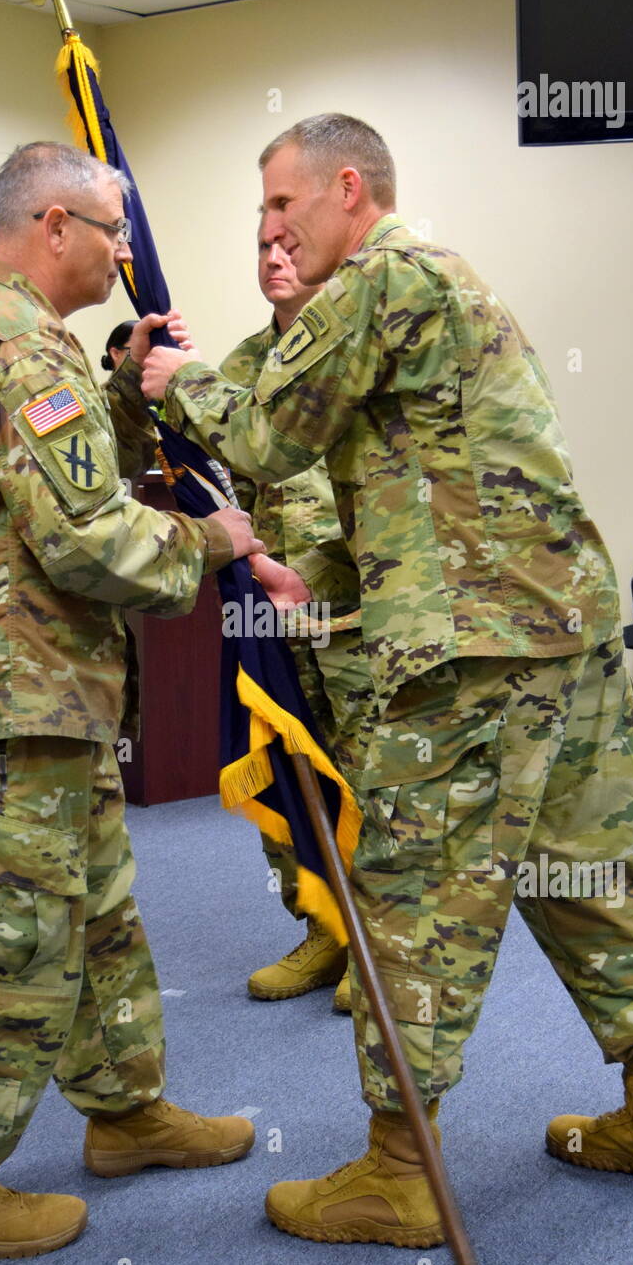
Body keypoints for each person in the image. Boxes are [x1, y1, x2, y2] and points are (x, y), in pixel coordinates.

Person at [140, 113, 633, 1248]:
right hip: (560, 630)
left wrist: (171, 379)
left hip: (471, 651)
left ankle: (397, 1172)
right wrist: (342, 574)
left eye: (280, 206)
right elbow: (420, 468)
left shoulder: (381, 276)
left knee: (410, 899)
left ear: (346, 188)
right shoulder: (438, 281)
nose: (270, 232)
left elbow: (261, 433)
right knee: (579, 872)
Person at [0, 141, 267, 1265]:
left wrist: (116, 389)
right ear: (51, 226)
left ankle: (124, 1114)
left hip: (36, 695)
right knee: (11, 943)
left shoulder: (15, 341)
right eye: (113, 230)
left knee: (98, 918)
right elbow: (83, 535)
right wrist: (212, 539)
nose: (124, 249)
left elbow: (42, 483)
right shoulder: (9, 345)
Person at [222, 227, 360, 1010]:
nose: (273, 259)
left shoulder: (359, 357)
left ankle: (376, 943)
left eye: (290, 244)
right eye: (262, 246)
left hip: (347, 612)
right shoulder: (239, 368)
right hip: (263, 613)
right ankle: (320, 928)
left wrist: (307, 575)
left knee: (360, 772)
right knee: (282, 762)